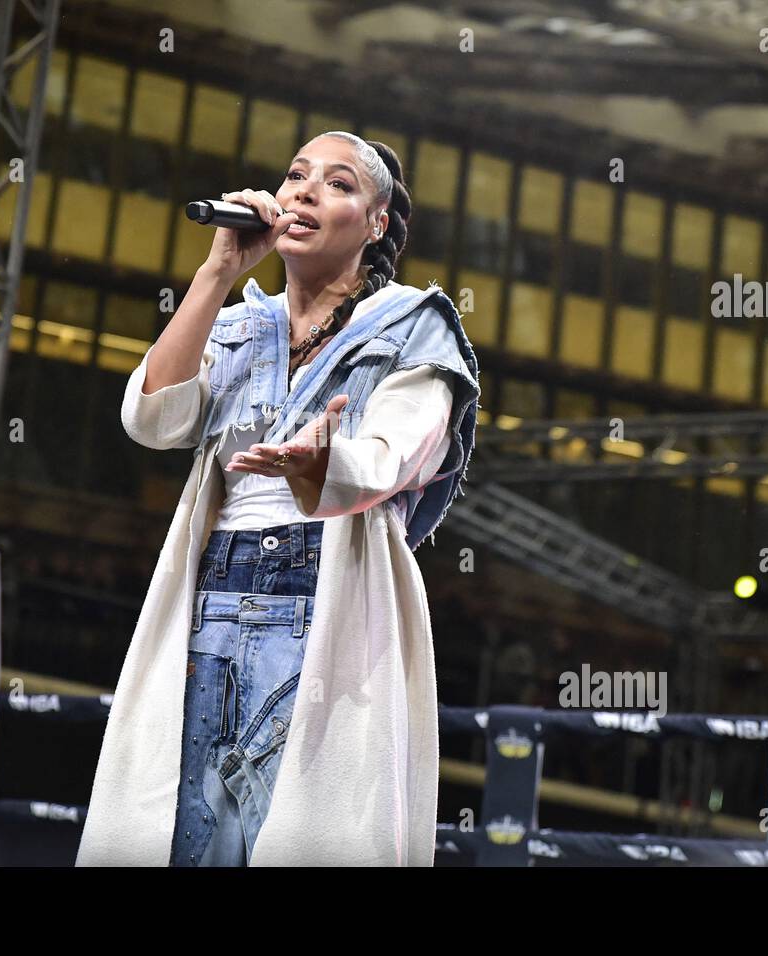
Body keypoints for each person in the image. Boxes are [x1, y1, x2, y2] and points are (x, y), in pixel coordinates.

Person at [77, 132, 480, 866]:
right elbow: (152, 416)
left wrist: (326, 466)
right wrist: (218, 271)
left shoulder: (415, 323)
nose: (302, 192)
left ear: (377, 221)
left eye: (337, 183)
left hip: (320, 602)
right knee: (184, 836)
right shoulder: (238, 324)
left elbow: (399, 451)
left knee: (297, 837)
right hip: (210, 603)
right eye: (295, 177)